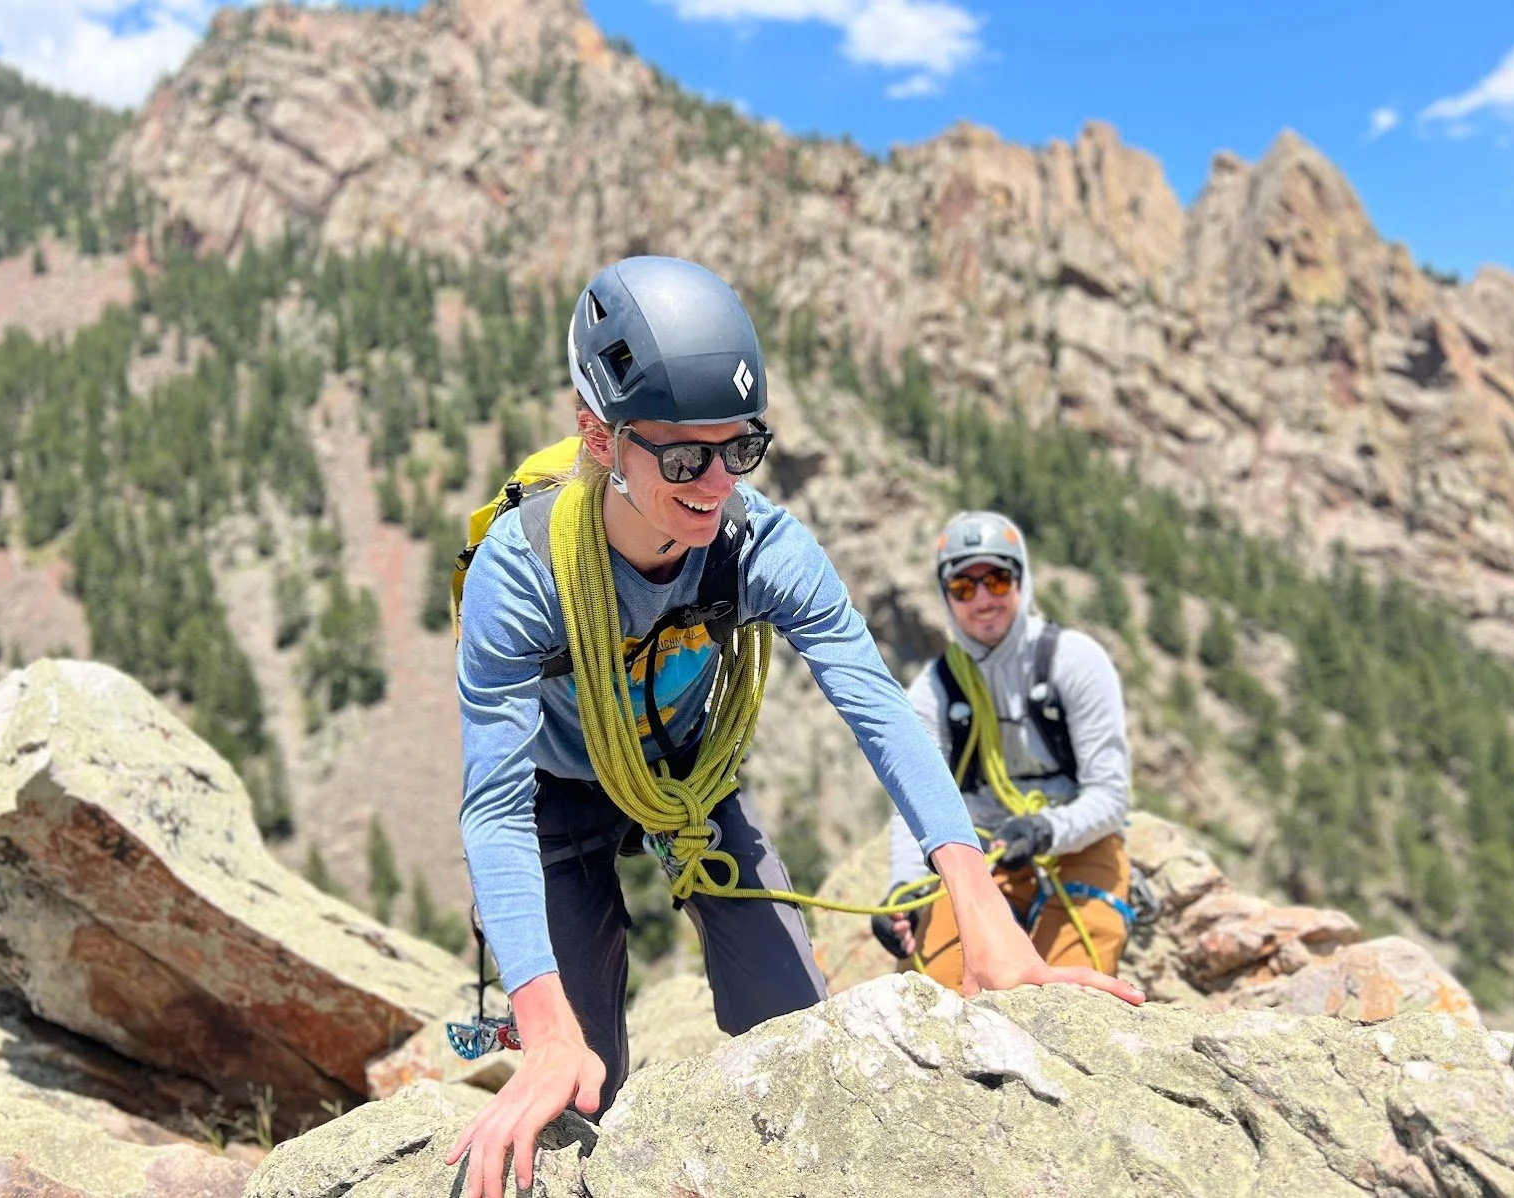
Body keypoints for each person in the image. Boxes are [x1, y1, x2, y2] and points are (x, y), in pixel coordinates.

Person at [445, 256, 1144, 1198]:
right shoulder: (522, 572)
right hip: (555, 797)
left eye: (740, 449)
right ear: (599, 438)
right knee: (579, 1085)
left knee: (796, 1033)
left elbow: (878, 707)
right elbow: (492, 807)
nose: (715, 485)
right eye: (683, 459)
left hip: (687, 778)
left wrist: (980, 910)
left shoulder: (757, 547)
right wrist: (541, 1025)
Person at [874, 510, 1137, 989]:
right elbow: (914, 803)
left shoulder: (1075, 662)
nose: (982, 599)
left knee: (1070, 991)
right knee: (945, 989)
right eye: (963, 587)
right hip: (981, 852)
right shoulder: (933, 692)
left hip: (1077, 842)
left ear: (1021, 580)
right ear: (945, 596)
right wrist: (903, 891)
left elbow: (1110, 796)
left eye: (996, 580)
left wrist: (1044, 829)